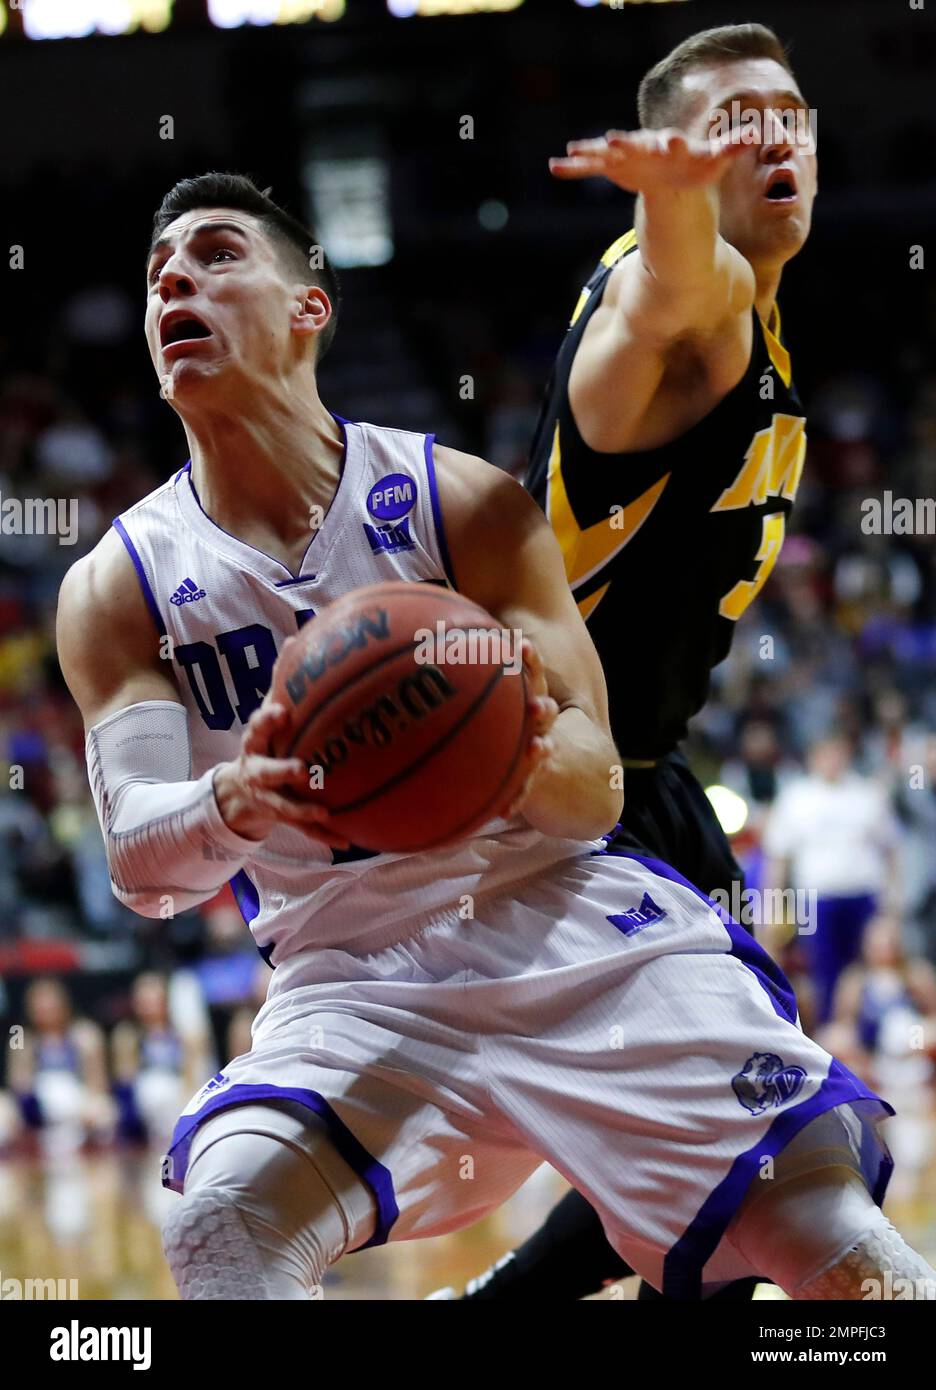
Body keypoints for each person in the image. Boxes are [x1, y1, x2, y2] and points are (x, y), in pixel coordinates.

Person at [56, 173, 934, 1301]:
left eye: (218, 254)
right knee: (222, 1222)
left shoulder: (461, 505)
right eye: (156, 273)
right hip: (351, 979)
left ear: (309, 308)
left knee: (833, 1246)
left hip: (574, 930)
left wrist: (510, 746)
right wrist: (232, 800)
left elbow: (598, 791)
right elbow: (140, 863)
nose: (174, 276)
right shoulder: (118, 587)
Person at [454, 21, 818, 1301]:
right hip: (554, 786)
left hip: (645, 780)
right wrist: (670, 210)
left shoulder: (758, 327)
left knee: (762, 1142)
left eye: (791, 112)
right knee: (761, 1139)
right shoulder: (681, 308)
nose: (773, 133)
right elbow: (677, 286)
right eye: (736, 119)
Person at [764, 734, 902, 1023]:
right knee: (822, 971)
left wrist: (892, 906)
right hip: (817, 898)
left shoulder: (866, 794)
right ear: (813, 757)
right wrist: (773, 908)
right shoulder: (796, 798)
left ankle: (867, 1034)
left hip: (862, 894)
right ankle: (830, 1036)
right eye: (824, 755)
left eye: (836, 753)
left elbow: (891, 853)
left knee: (868, 970)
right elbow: (779, 858)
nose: (831, 761)